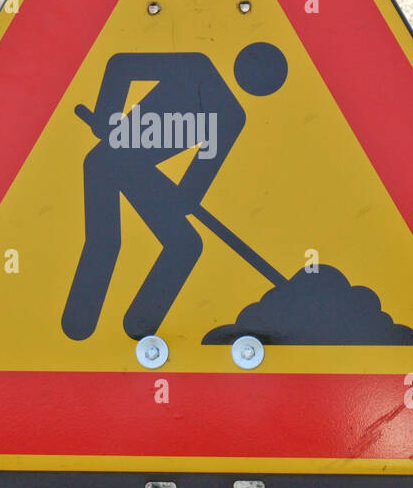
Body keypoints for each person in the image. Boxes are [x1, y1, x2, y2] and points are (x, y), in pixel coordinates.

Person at [62, 42, 288, 340]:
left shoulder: (231, 116)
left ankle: (139, 328)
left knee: (185, 245)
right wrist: (108, 113)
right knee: (106, 240)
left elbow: (202, 170)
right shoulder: (196, 68)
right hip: (105, 163)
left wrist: (185, 197)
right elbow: (121, 66)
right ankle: (79, 325)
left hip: (132, 169)